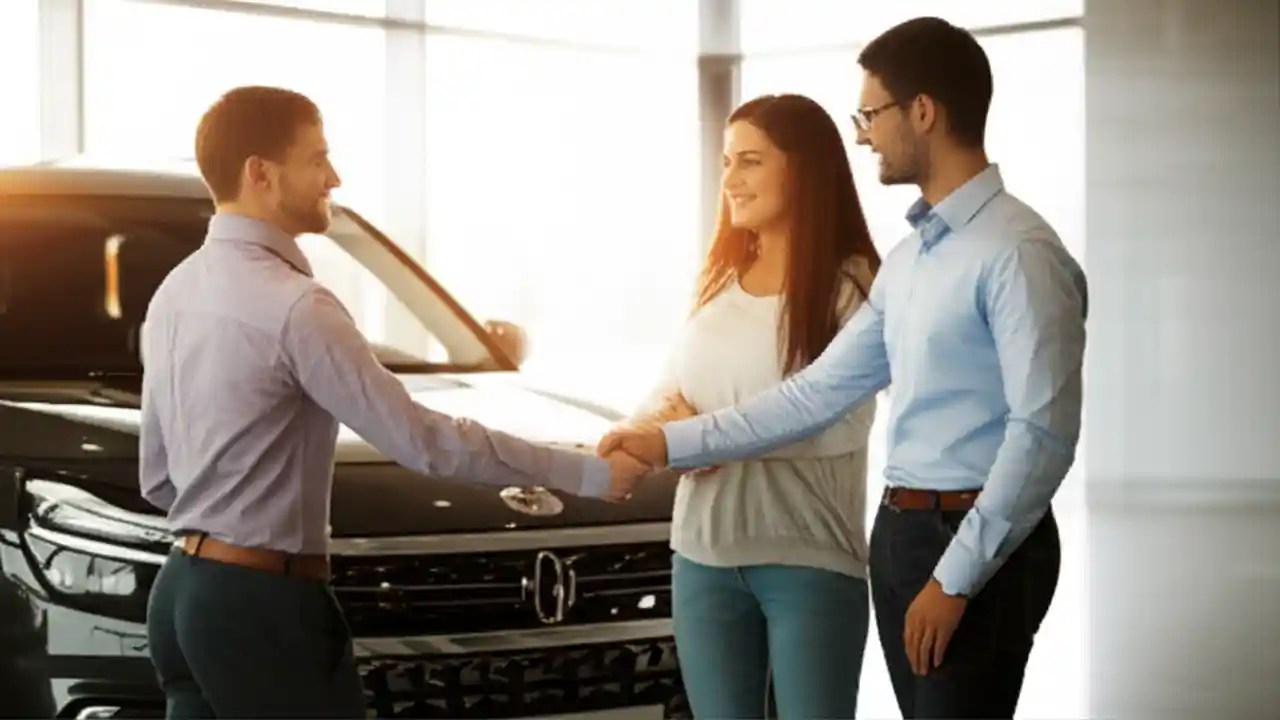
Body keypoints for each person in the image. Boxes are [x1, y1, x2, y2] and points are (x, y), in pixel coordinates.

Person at [600, 17, 1087, 719]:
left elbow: (1041, 434)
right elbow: (815, 394)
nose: (862, 135)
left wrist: (954, 579)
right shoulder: (914, 260)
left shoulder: (1017, 252)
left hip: (972, 541)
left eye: (871, 114)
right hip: (904, 534)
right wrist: (667, 442)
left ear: (923, 111)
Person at [139, 86, 647, 719]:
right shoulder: (296, 305)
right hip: (263, 607)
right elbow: (423, 441)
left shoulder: (173, 293)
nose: (333, 177)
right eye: (317, 159)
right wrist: (587, 472)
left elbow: (158, 476)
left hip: (183, 594)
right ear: (261, 173)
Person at [612, 94, 881, 719]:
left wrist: (699, 438)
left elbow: (834, 422)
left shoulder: (854, 284)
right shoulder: (717, 278)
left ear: (804, 169)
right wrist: (645, 428)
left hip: (808, 560)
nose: (731, 179)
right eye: (728, 162)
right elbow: (670, 389)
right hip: (702, 557)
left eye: (751, 161)